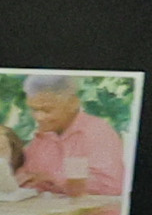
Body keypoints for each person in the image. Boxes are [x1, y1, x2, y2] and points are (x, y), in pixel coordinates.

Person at [16, 71, 130, 207]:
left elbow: (112, 186)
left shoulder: (97, 131)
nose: (39, 117)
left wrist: (55, 178)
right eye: (34, 109)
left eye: (47, 110)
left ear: (73, 103)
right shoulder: (43, 136)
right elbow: (29, 176)